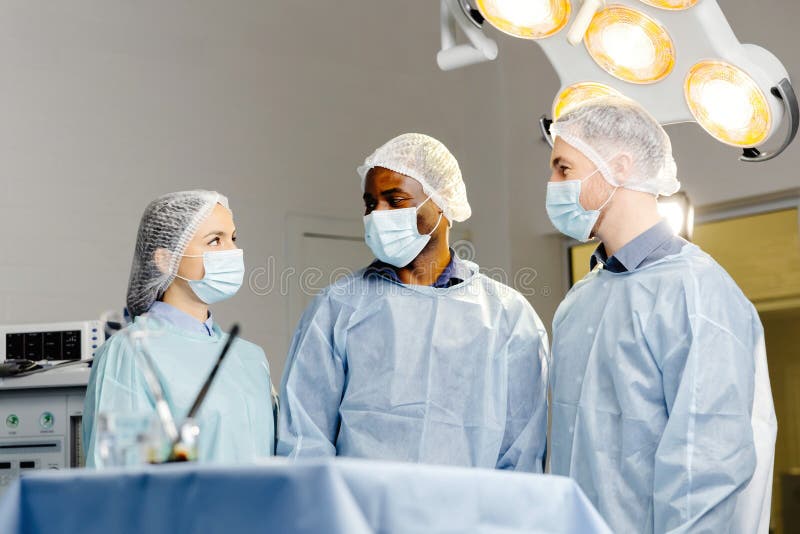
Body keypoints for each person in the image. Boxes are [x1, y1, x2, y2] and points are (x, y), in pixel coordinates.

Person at [546, 96, 776, 533]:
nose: (552, 183)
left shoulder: (696, 292)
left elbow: (705, 469)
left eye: (563, 168)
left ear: (619, 166)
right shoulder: (579, 301)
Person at [277, 133, 549, 471]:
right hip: (361, 516)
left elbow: (521, 453)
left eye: (395, 199)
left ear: (443, 203)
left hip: (468, 518)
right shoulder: (338, 308)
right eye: (370, 203)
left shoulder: (507, 316)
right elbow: (305, 439)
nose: (378, 214)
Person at [83, 190, 274, 466]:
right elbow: (121, 479)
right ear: (165, 259)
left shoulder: (250, 358)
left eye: (233, 238)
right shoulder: (132, 353)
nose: (232, 252)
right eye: (215, 240)